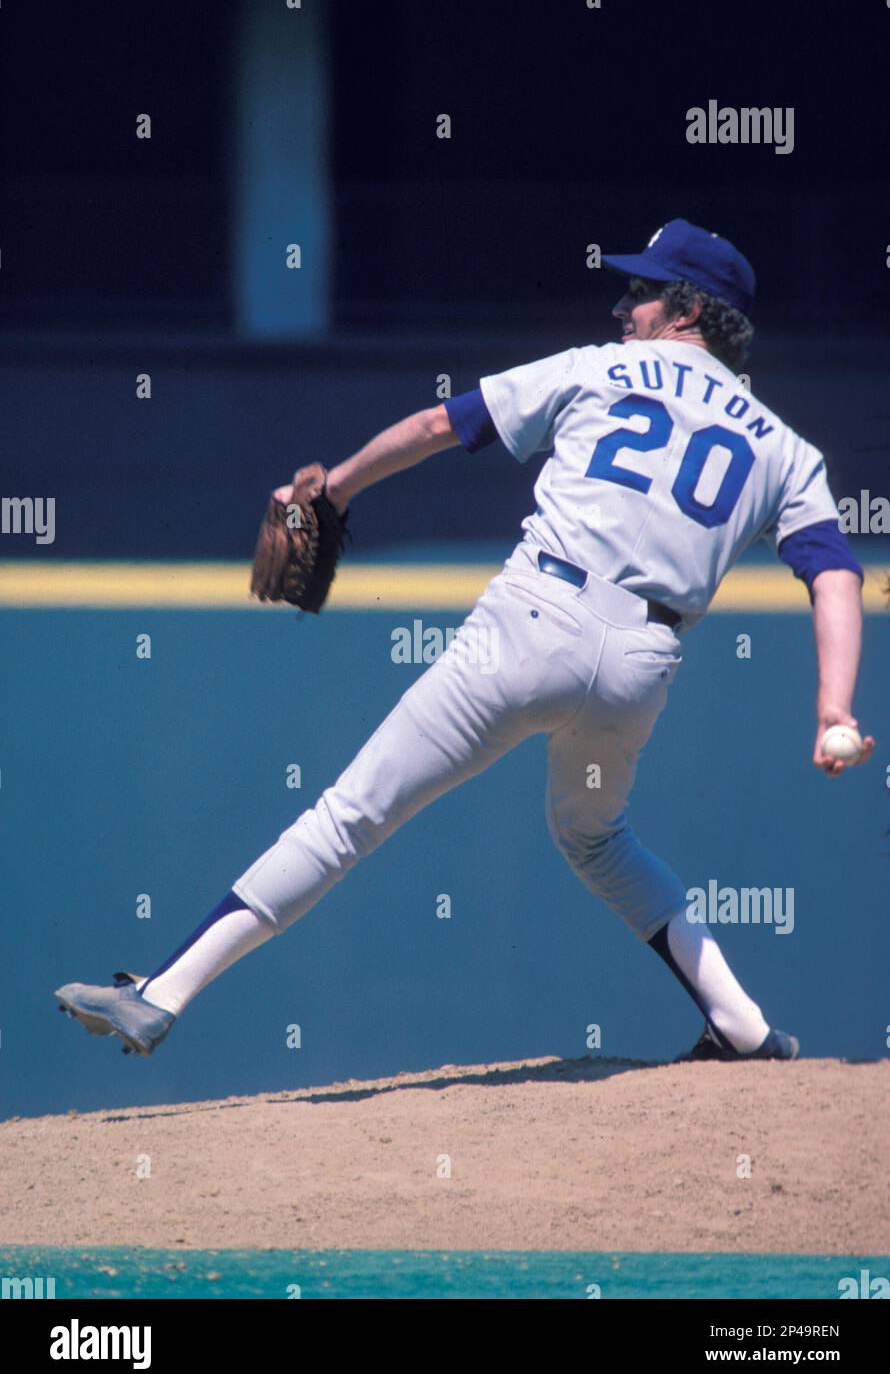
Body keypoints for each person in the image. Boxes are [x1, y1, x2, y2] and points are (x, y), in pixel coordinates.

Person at [56, 218, 874, 1062]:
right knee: (595, 837)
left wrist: (332, 489)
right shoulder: (785, 447)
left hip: (531, 621)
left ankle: (160, 994)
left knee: (349, 815)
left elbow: (435, 427)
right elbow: (833, 574)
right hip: (640, 665)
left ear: (688, 309)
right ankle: (740, 1022)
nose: (626, 304)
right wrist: (832, 706)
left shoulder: (597, 367)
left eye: (644, 290)